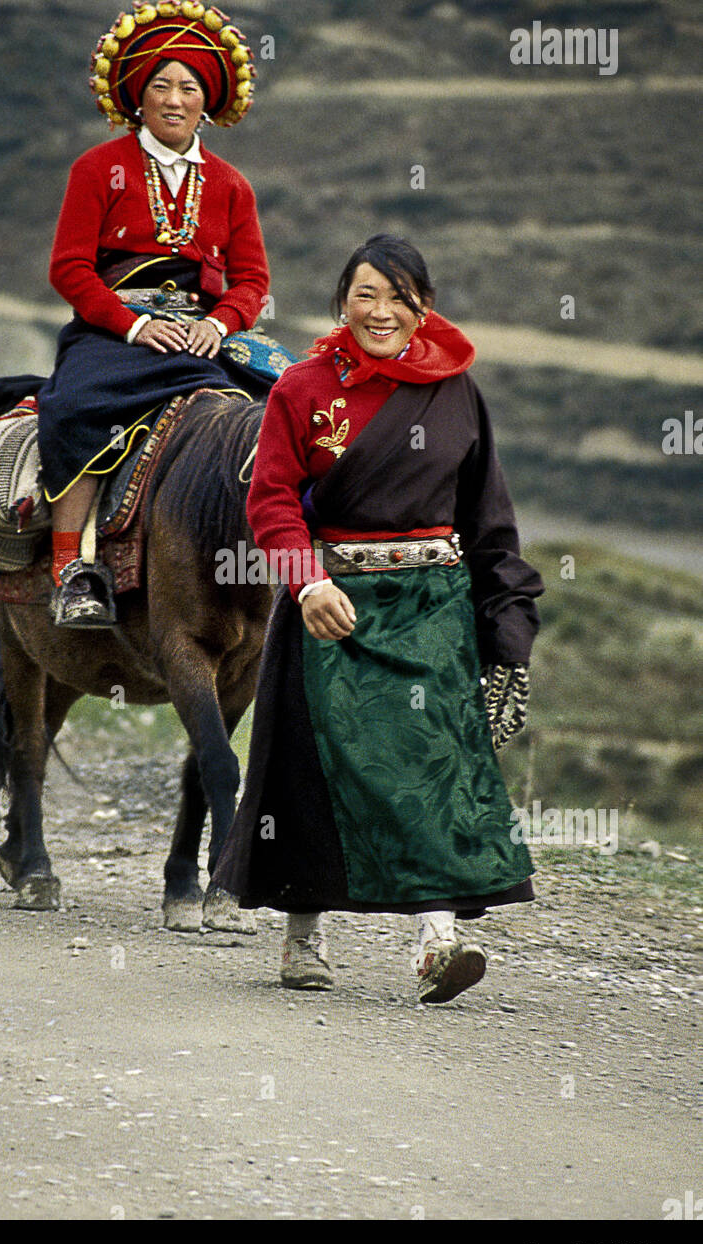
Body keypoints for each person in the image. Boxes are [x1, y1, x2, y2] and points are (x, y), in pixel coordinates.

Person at [212, 234, 544, 1003]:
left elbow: (490, 520)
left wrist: (508, 630)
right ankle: (303, 935)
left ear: (423, 305)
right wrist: (306, 583)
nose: (382, 311)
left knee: (435, 772)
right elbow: (269, 501)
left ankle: (438, 938)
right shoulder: (302, 388)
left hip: (433, 613)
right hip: (331, 607)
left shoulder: (456, 390)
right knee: (309, 769)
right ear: (342, 302)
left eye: (399, 297)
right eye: (367, 294)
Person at [36, 0, 296, 626]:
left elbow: (252, 280)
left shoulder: (232, 185)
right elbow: (68, 269)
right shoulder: (96, 169)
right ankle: (73, 571)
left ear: (208, 101)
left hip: (202, 335)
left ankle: (306, 560)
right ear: (137, 96)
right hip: (113, 330)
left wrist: (216, 324)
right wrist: (134, 324)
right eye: (160, 85)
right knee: (72, 407)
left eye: (188, 87)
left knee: (294, 402)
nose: (174, 99)